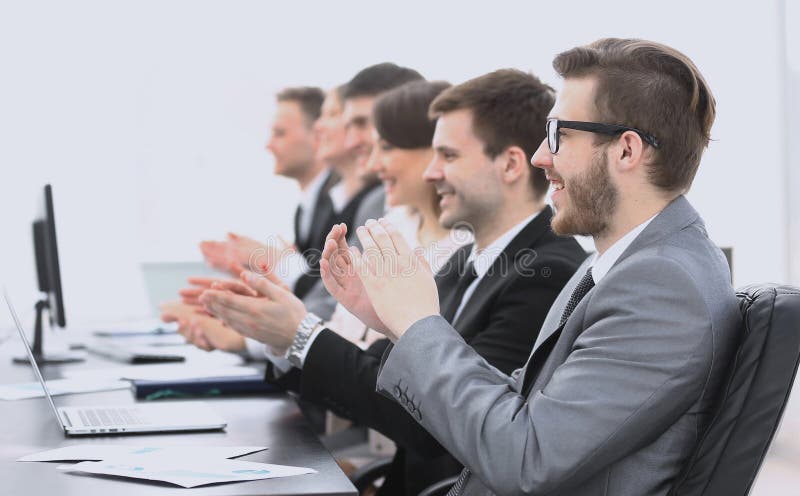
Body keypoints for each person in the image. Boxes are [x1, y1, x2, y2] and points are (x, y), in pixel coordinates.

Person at [323, 39, 742, 495]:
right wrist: (397, 323)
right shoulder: (625, 264)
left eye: (558, 134)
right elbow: (516, 405)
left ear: (626, 151)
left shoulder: (663, 287)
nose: (542, 155)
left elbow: (526, 458)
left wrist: (421, 325)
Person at [199, 70, 586, 495]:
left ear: (511, 164)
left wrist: (301, 335)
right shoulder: (465, 261)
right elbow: (387, 382)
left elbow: (436, 425)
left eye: (449, 156)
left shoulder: (547, 273)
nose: (432, 172)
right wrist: (360, 323)